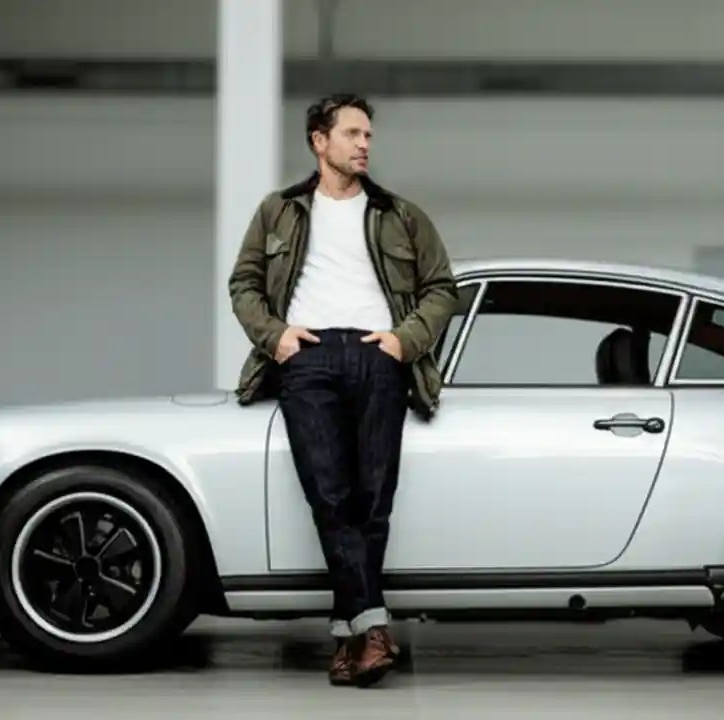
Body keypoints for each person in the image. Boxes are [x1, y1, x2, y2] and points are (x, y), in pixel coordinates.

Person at [227, 93, 458, 687]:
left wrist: (405, 341)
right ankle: (372, 632)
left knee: (372, 499)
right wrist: (276, 337)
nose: (364, 144)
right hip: (306, 358)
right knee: (329, 494)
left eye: (369, 136)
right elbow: (244, 283)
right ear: (318, 141)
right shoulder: (279, 211)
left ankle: (351, 637)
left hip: (379, 356)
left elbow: (441, 288)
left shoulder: (400, 214)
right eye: (353, 134)